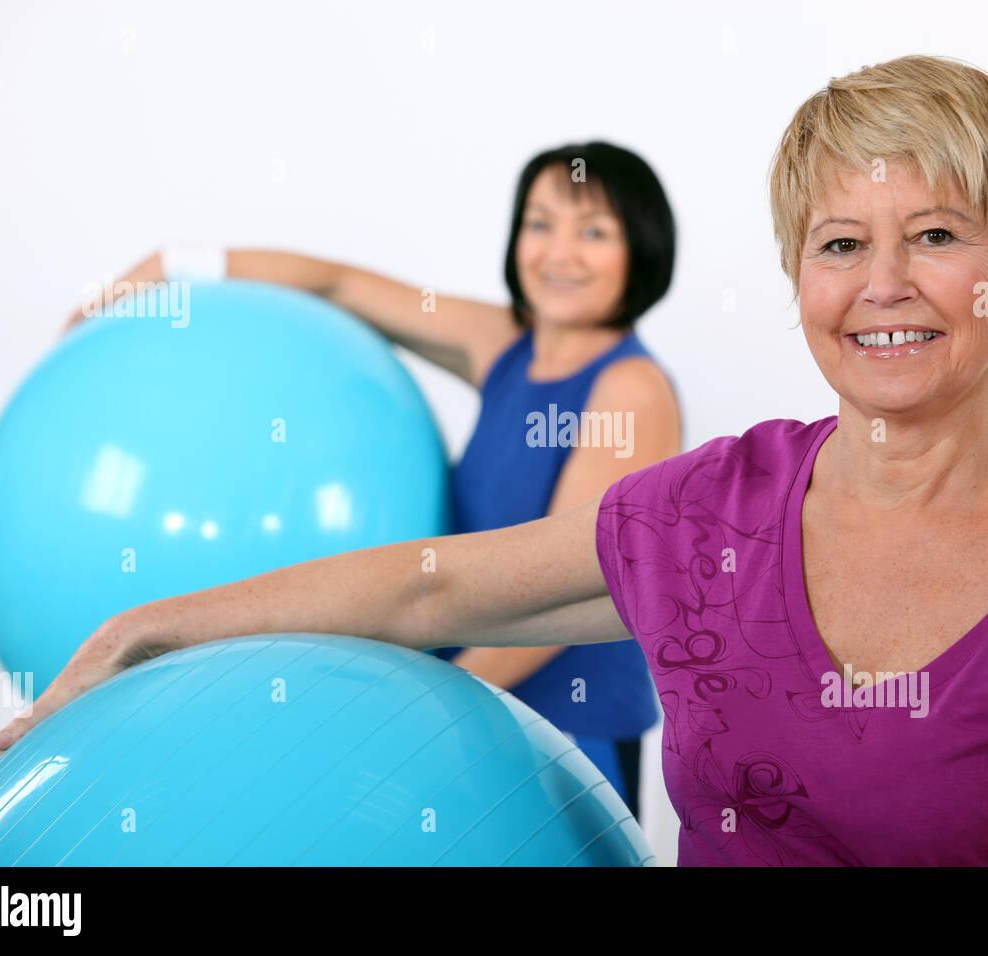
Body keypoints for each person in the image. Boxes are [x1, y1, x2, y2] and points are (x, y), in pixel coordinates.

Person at [0, 55, 988, 865]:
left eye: (936, 236)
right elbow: (429, 582)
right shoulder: (707, 508)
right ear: (799, 273)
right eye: (842, 241)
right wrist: (140, 633)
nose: (882, 284)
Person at [58, 141, 682, 818]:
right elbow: (341, 287)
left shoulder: (630, 388)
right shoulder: (504, 341)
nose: (559, 253)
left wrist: (427, 708)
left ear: (641, 248)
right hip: (463, 706)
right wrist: (172, 264)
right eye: (540, 223)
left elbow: (564, 591)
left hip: (562, 729)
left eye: (593, 231)